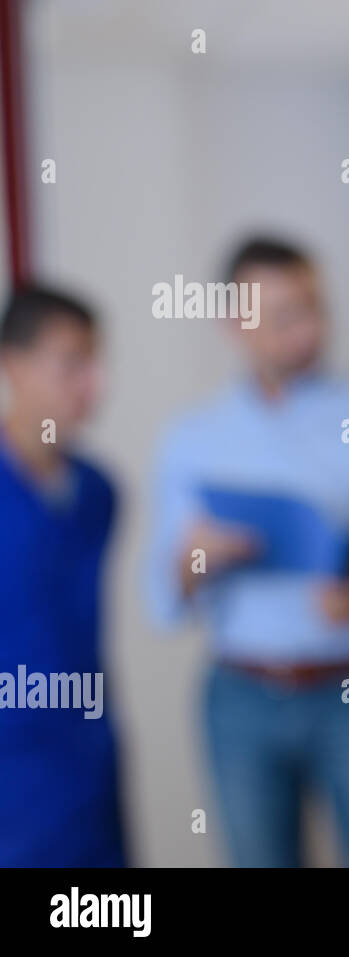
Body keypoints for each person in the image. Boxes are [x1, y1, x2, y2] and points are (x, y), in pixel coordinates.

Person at [145, 237, 349, 867]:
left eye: (313, 309)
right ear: (235, 323)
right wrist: (200, 558)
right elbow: (164, 603)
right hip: (242, 698)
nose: (305, 332)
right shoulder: (193, 440)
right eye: (281, 317)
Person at [0, 285, 125, 866]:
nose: (92, 387)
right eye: (71, 364)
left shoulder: (98, 492)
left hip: (87, 763)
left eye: (95, 364)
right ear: (13, 366)